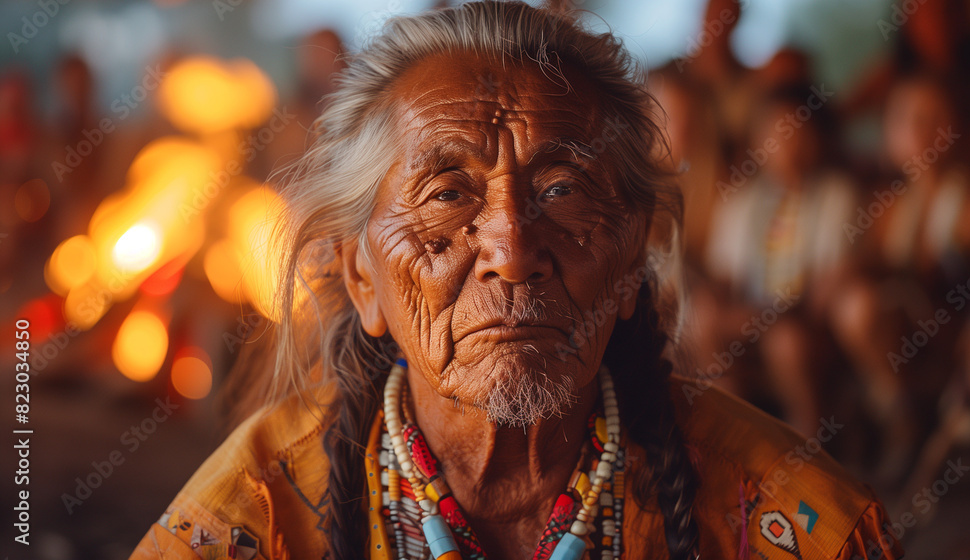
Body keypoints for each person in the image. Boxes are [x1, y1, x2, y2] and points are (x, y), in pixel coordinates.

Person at [129, 3, 903, 559]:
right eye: (447, 194)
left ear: (632, 261)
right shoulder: (252, 517)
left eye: (562, 189)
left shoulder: (797, 523)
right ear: (361, 274)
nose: (512, 248)